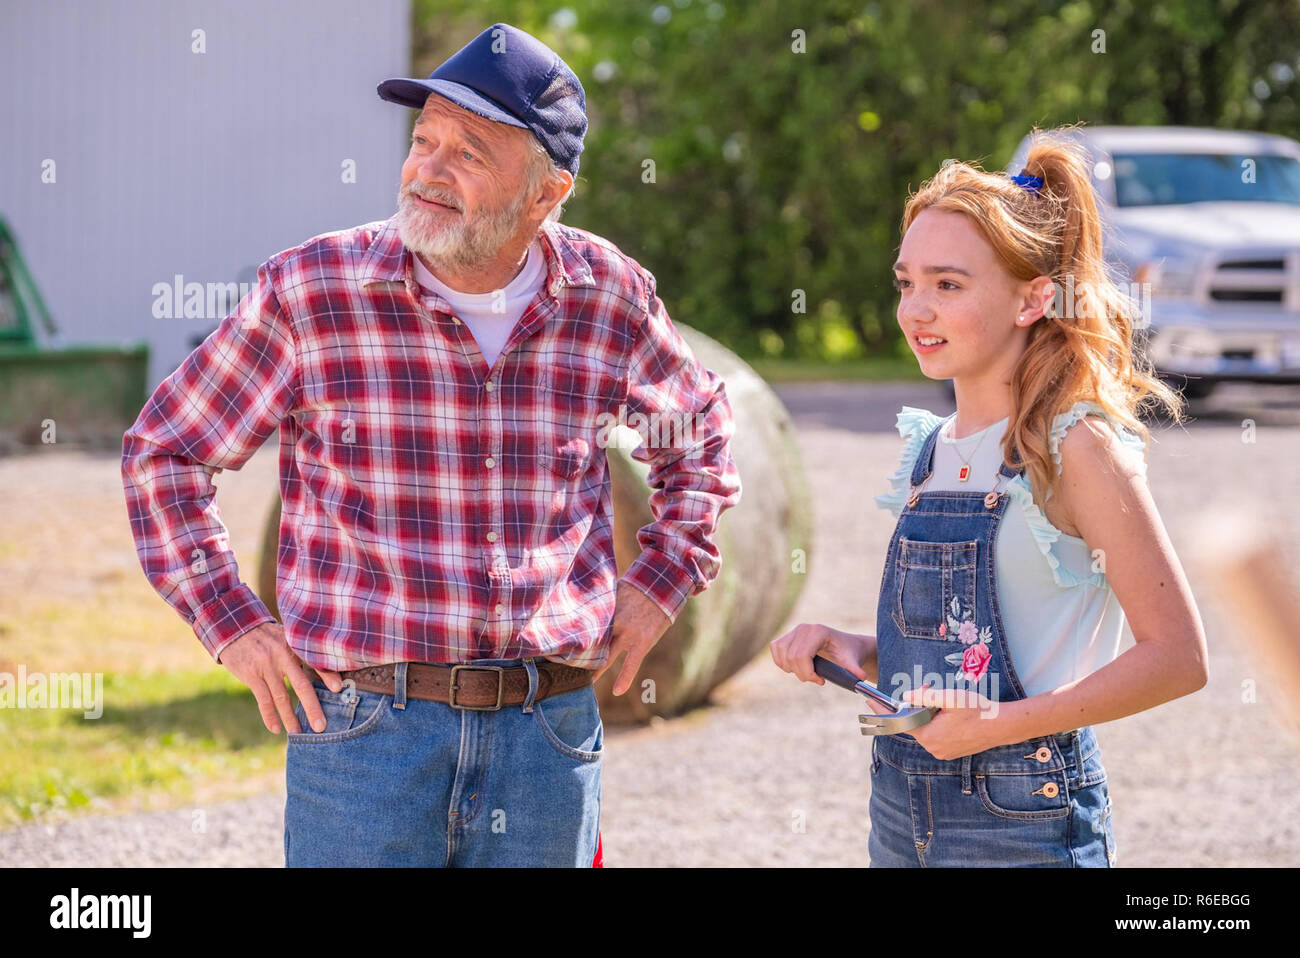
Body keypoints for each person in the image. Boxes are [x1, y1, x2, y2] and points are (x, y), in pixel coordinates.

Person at [121, 22, 741, 867]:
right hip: (365, 738)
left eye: (471, 153)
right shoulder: (312, 292)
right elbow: (166, 452)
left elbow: (699, 433)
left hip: (548, 738)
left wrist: (663, 580)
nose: (428, 170)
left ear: (546, 193)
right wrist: (233, 624)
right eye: (424, 140)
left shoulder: (611, 297)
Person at [769, 127, 1208, 867]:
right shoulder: (930, 449)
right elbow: (969, 651)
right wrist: (862, 652)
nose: (916, 310)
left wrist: (1002, 726)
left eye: (949, 284)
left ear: (1034, 297)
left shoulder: (1079, 446)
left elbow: (1179, 658)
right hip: (901, 807)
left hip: (1023, 819)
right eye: (907, 282)